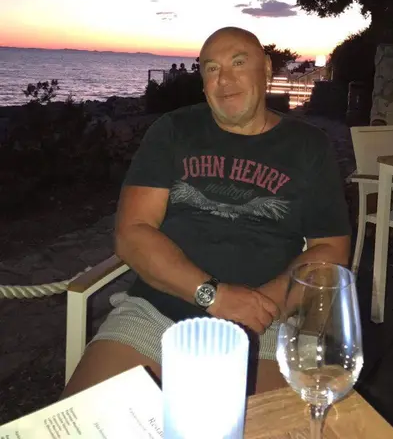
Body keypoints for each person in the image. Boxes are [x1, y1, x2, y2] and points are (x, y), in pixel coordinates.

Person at [62, 26, 350, 398]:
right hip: (158, 314)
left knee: (270, 423)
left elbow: (331, 249)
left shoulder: (309, 146)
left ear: (266, 69)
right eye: (212, 68)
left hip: (265, 323)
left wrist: (262, 306)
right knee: (85, 419)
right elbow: (132, 231)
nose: (224, 79)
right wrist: (214, 296)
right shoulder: (173, 131)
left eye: (238, 63)